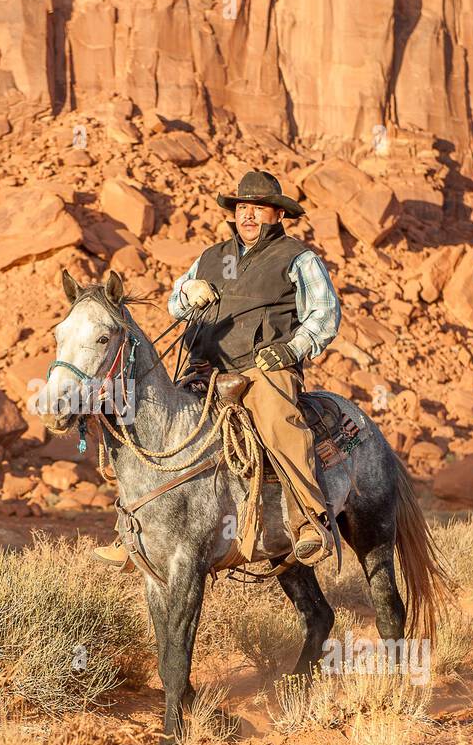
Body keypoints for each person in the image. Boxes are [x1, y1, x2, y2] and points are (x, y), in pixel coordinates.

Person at [92, 169, 342, 569]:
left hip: (264, 368)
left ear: (278, 215)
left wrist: (292, 349)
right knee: (155, 420)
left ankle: (310, 521)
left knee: (279, 423)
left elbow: (325, 315)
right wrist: (187, 293)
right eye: (243, 208)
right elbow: (175, 304)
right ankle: (132, 530)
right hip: (205, 369)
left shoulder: (297, 257)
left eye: (258, 209)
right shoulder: (212, 257)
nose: (248, 216)